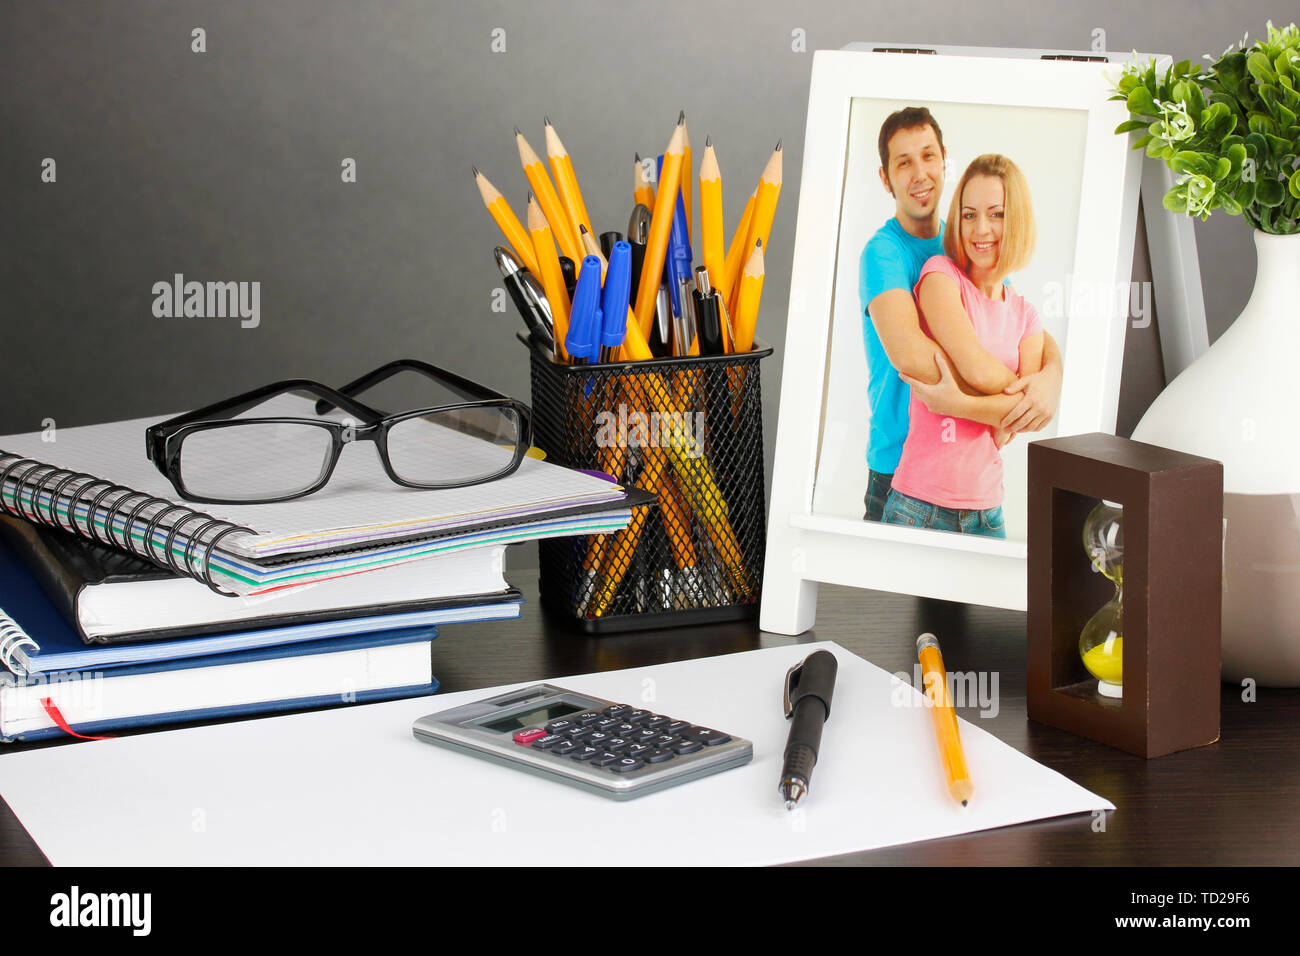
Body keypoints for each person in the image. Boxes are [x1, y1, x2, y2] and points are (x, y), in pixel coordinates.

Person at [859, 107, 1062, 521]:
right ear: (885, 179)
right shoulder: (884, 254)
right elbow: (916, 359)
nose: (920, 173)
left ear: (944, 160)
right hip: (899, 466)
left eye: (928, 156)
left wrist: (1050, 378)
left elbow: (1016, 320)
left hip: (973, 480)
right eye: (903, 162)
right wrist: (1016, 400)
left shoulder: (967, 235)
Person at [881, 154, 1044, 538]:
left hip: (987, 512)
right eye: (969, 215)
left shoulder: (1027, 315)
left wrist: (956, 404)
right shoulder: (940, 277)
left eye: (997, 214)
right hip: (917, 506)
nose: (980, 228)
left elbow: (1013, 425)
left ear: (1017, 219)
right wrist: (1005, 405)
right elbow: (975, 367)